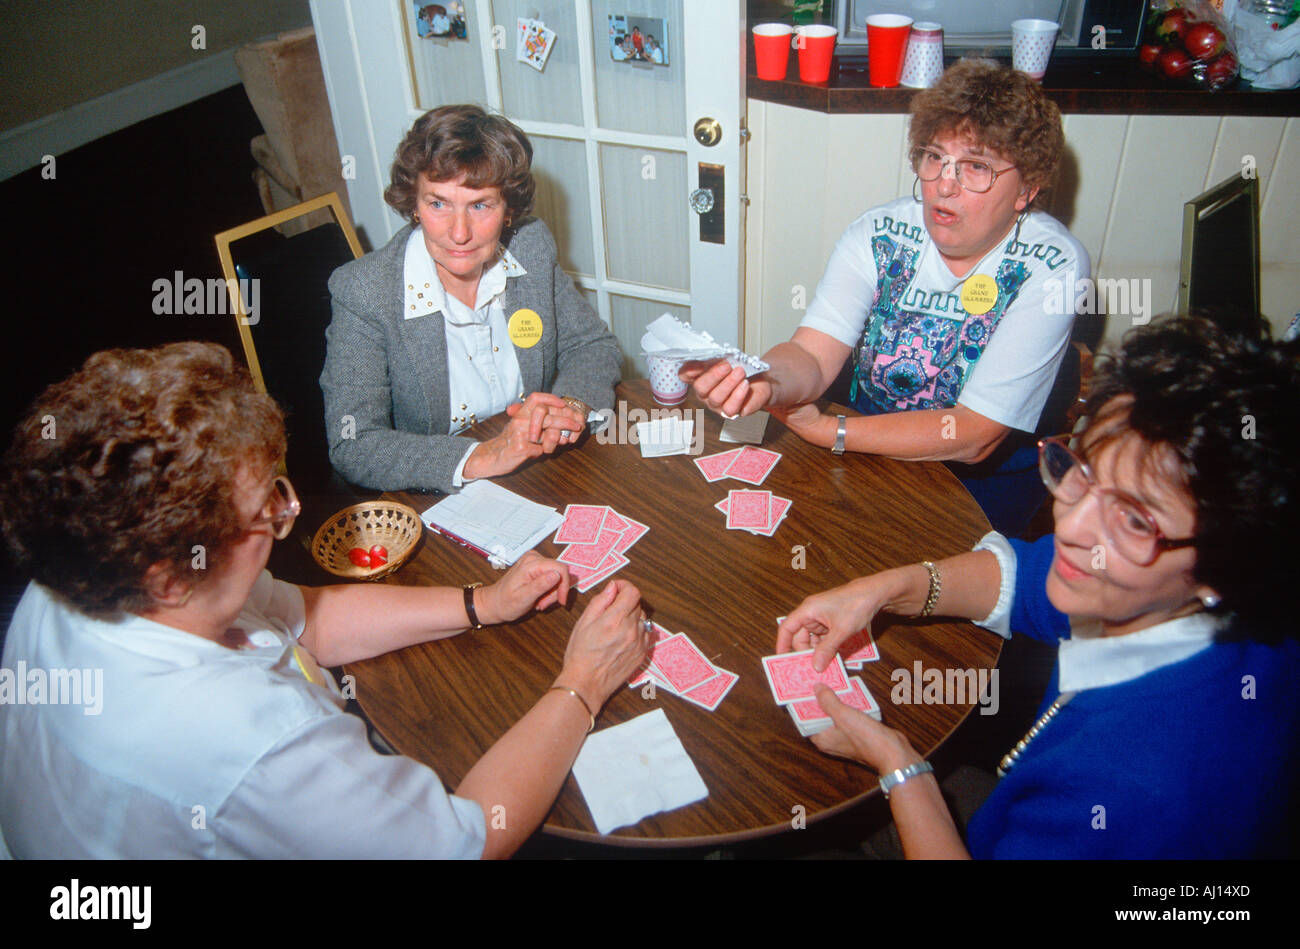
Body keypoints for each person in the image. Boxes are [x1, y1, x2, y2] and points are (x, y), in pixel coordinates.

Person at [0, 342, 653, 859]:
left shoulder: (77, 567)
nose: (292, 509)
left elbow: (306, 615)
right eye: (266, 510)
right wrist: (583, 681)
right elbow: (469, 837)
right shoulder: (256, 737)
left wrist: (482, 601)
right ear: (170, 577)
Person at [775, 315, 1300, 858]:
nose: (1070, 526)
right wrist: (882, 589)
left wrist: (899, 765)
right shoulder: (1176, 593)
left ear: (1227, 563)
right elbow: (1026, 578)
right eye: (1085, 469)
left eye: (1135, 521)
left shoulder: (1143, 794)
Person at [686, 59, 1090, 536]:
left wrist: (830, 433)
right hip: (865, 449)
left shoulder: (1052, 264)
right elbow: (812, 355)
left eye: (976, 166)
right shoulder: (879, 232)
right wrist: (766, 382)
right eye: (935, 156)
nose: (944, 183)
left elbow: (975, 435)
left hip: (977, 482)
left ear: (1027, 190)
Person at [321, 105, 621, 493]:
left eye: (480, 205)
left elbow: (591, 345)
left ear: (508, 209)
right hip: (433, 496)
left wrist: (569, 408)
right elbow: (354, 443)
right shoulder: (365, 291)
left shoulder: (529, 248)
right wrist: (486, 456)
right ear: (414, 203)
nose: (459, 233)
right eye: (438, 203)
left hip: (539, 475)